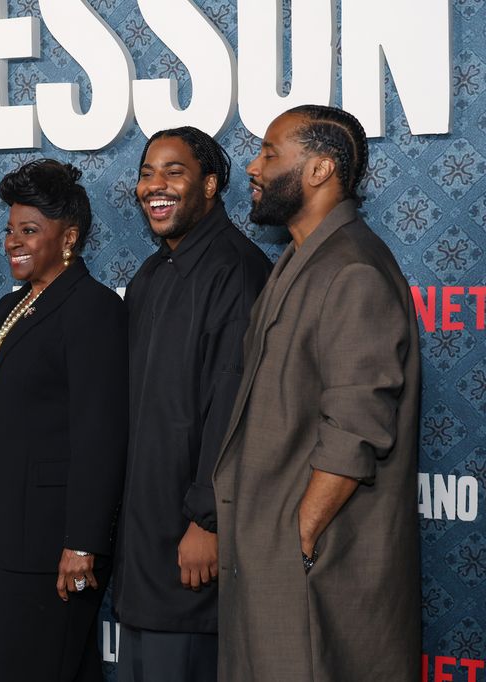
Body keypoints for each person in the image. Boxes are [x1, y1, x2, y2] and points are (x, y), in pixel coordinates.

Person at [212, 105, 421, 680]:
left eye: (270, 153)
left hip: (312, 568)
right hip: (267, 557)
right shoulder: (301, 259)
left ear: (320, 169)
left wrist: (296, 539)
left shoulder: (353, 269)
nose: (253, 167)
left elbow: (355, 429)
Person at [0, 160, 128, 681]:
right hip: (10, 533)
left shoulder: (91, 309)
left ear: (69, 237)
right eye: (10, 230)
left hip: (56, 543)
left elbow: (101, 434)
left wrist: (83, 541)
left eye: (29, 230)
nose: (12, 241)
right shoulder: (10, 306)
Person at [112, 128, 271, 682]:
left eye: (173, 172)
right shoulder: (153, 274)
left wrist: (208, 520)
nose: (154, 186)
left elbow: (236, 407)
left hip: (193, 541)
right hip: (143, 536)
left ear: (210, 185)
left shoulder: (238, 270)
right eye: (147, 173)